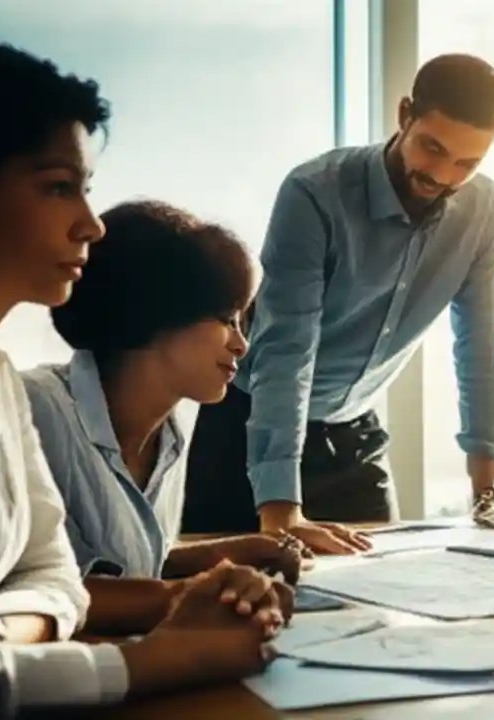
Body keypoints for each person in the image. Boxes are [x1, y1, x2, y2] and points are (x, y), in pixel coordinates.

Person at [0, 35, 284, 715]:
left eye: (87, 190)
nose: (92, 226)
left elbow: (55, 575)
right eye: (57, 187)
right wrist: (159, 656)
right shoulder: (39, 401)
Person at [183, 54, 494, 553]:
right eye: (432, 147)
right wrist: (280, 512)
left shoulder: (483, 210)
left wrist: (487, 496)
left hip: (353, 434)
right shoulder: (314, 193)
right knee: (238, 598)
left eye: (466, 163)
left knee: (385, 592)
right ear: (405, 115)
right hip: (248, 432)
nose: (442, 174)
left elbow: (481, 346)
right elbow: (286, 349)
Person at [24, 200, 304, 638]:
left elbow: (119, 560)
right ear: (157, 310)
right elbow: (32, 589)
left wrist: (227, 554)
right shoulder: (36, 411)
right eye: (226, 319)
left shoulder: (174, 426)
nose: (241, 346)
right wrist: (196, 593)